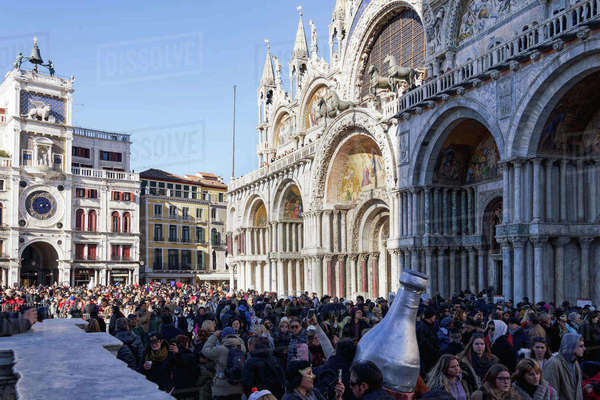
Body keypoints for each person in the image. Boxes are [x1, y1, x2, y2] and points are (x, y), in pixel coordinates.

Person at [202, 327, 247, 400]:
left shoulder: (220, 349)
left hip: (221, 388)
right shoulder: (241, 348)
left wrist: (214, 336)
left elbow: (205, 350)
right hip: (238, 387)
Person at [542, 333, 585, 400]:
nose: (584, 348)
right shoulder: (553, 364)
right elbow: (550, 393)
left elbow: (578, 391)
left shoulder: (575, 362)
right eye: (581, 346)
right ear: (571, 346)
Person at [417, 310, 440, 374]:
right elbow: (424, 343)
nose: (435, 317)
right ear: (430, 317)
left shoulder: (430, 326)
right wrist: (433, 349)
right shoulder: (423, 327)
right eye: (434, 316)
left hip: (431, 355)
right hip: (427, 356)